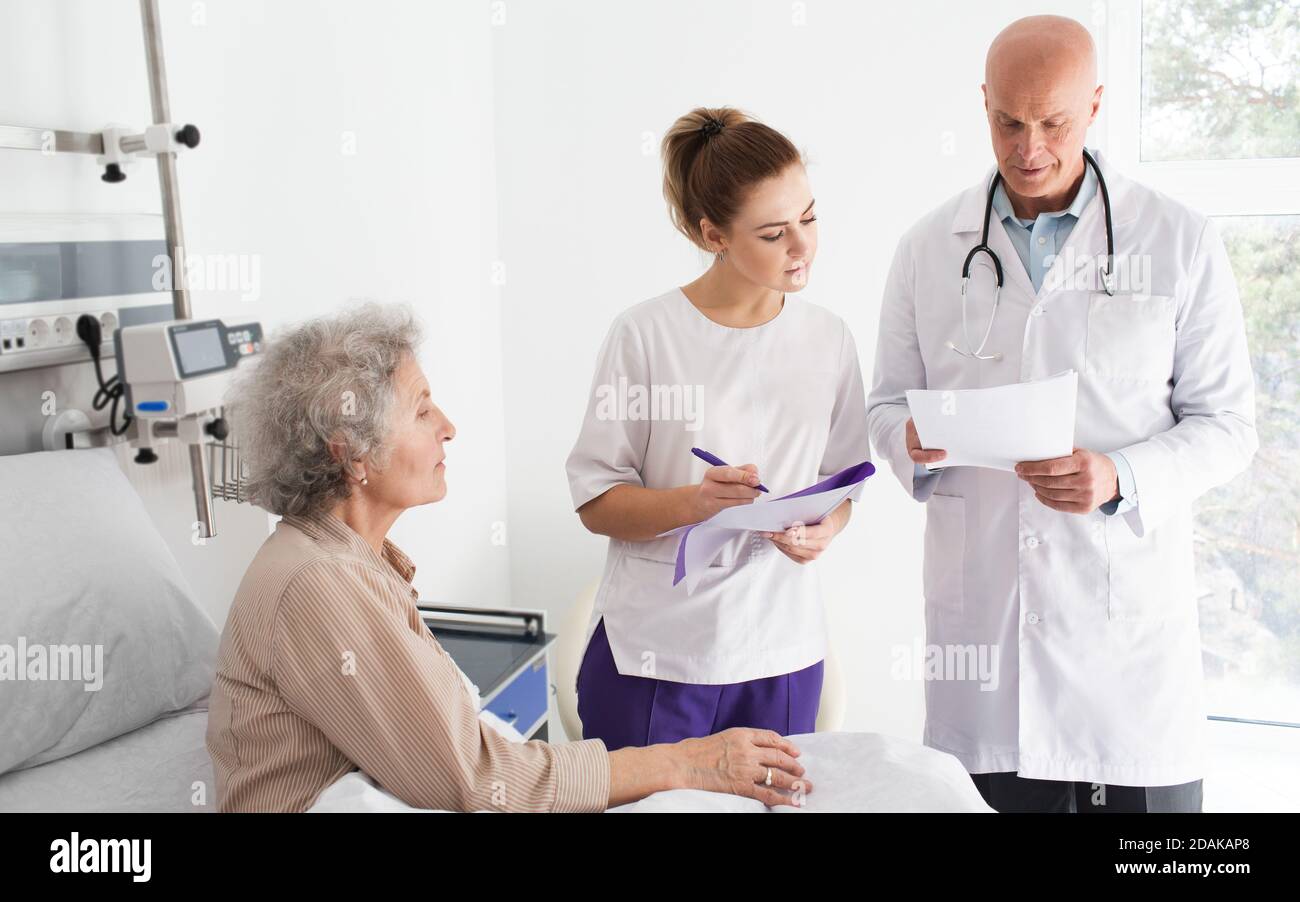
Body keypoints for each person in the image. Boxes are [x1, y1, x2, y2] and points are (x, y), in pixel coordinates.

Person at [865, 15, 1257, 813]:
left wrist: (1122, 474)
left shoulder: (1179, 240)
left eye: (1055, 122)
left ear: (1098, 105)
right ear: (983, 104)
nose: (1029, 147)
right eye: (1008, 121)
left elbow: (1228, 426)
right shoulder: (926, 249)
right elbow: (883, 405)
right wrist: (908, 439)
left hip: (1130, 668)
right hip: (987, 655)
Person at [206, 302, 812, 811]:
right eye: (421, 410)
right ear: (352, 455)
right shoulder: (317, 585)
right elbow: (475, 777)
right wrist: (684, 762)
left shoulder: (350, 561)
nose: (449, 427)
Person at [566, 107, 871, 751]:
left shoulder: (828, 339)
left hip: (783, 654)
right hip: (656, 660)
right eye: (772, 232)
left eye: (809, 218)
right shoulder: (645, 335)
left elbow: (845, 481)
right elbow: (596, 501)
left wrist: (824, 529)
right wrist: (694, 503)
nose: (802, 246)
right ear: (714, 235)